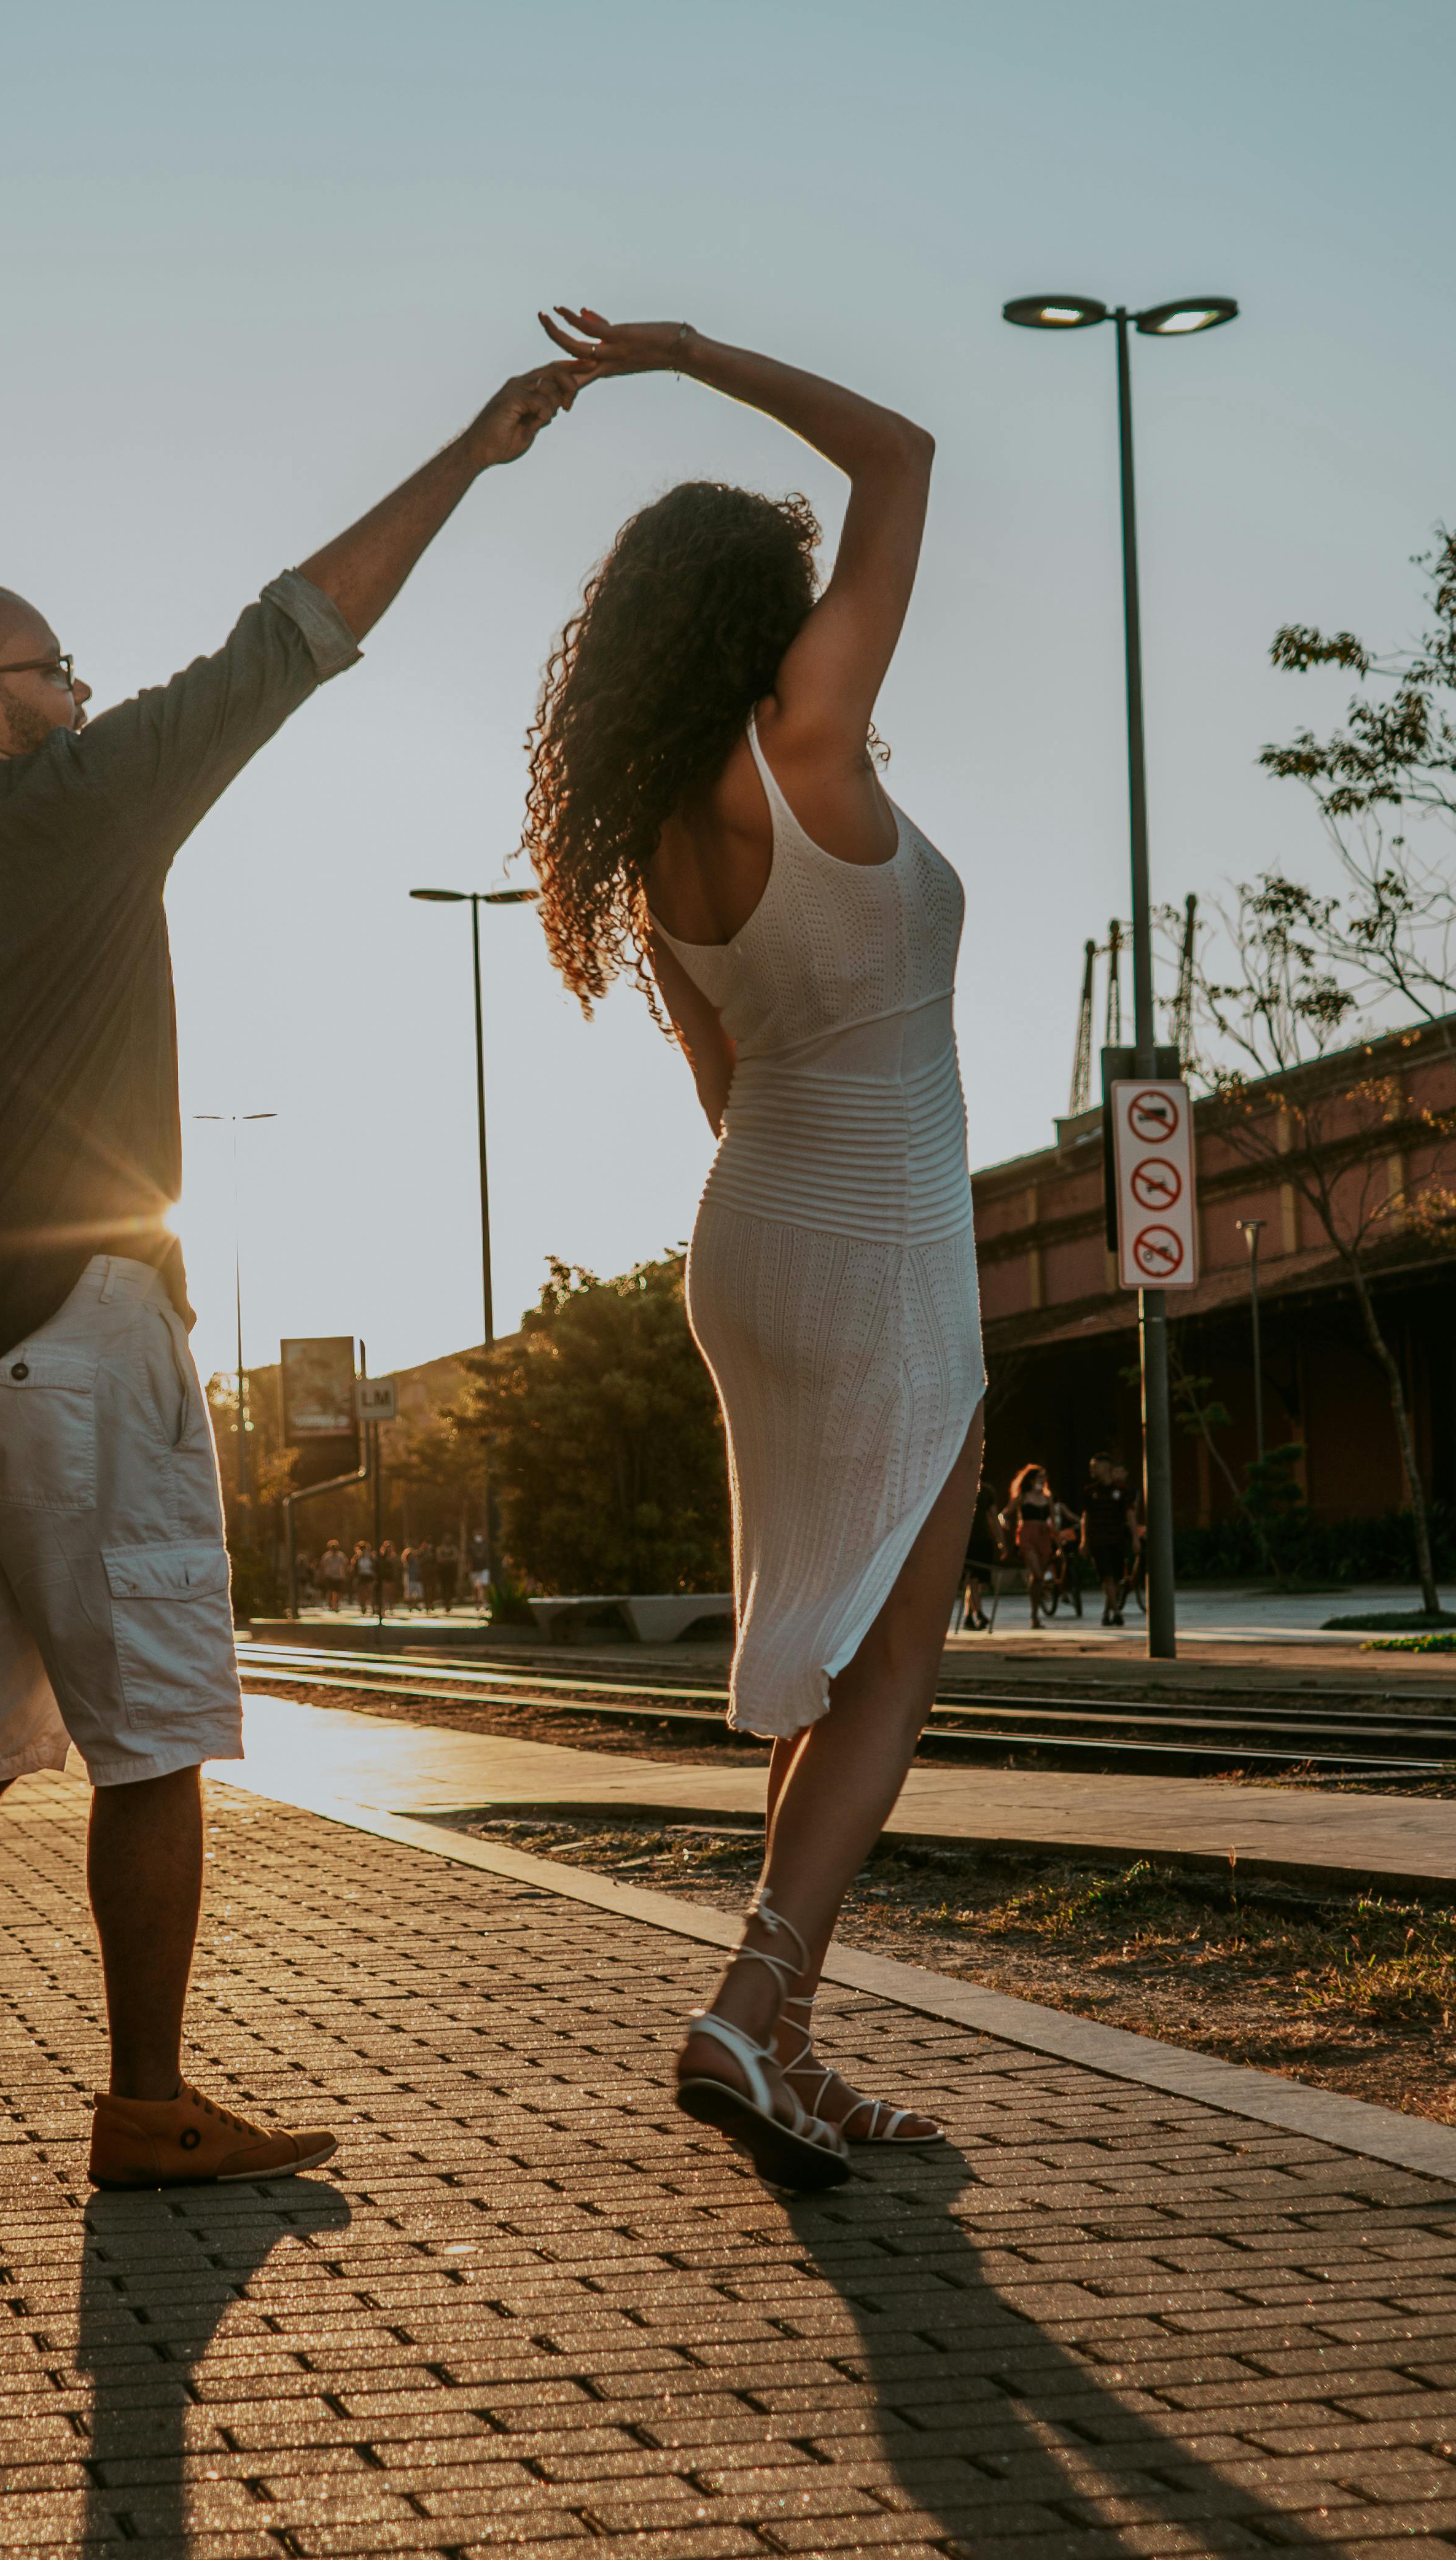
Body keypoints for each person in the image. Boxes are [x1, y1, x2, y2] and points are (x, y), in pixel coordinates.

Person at [0, 352, 579, 2191]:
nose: (78, 687)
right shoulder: (76, 797)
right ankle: (147, 2104)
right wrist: (470, 450)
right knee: (150, 1737)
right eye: (52, 664)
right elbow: (285, 641)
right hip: (82, 1330)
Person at [524, 306, 978, 2190]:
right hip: (880, 1229)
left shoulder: (652, 844)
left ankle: (783, 2045)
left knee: (816, 1651)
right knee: (887, 1664)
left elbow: (725, 1088)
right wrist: (688, 350)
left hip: (754, 1238)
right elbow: (901, 456)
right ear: (770, 617)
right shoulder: (803, 741)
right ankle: (745, 2001)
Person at [1003, 1462, 1062, 1631]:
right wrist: (1004, 1523)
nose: (1043, 1480)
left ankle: (1035, 1615)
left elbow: (1054, 1522)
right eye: (1039, 1477)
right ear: (1031, 1480)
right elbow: (1004, 1513)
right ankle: (1035, 1615)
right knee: (1036, 1573)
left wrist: (1059, 1543)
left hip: (1044, 1536)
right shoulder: (1022, 1497)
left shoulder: (1047, 1498)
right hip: (1027, 1535)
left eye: (1044, 1477)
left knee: (1039, 1578)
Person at [1082, 1456, 1137, 1627]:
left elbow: (1130, 1515)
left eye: (1095, 1467)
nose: (1092, 1470)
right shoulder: (1090, 1491)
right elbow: (1086, 1517)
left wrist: (1136, 1538)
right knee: (1106, 1576)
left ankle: (1107, 1612)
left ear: (1106, 1467)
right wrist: (1084, 1540)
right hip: (1098, 1539)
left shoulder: (1122, 1491)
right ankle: (1117, 1612)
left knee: (1117, 1578)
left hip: (1118, 1539)